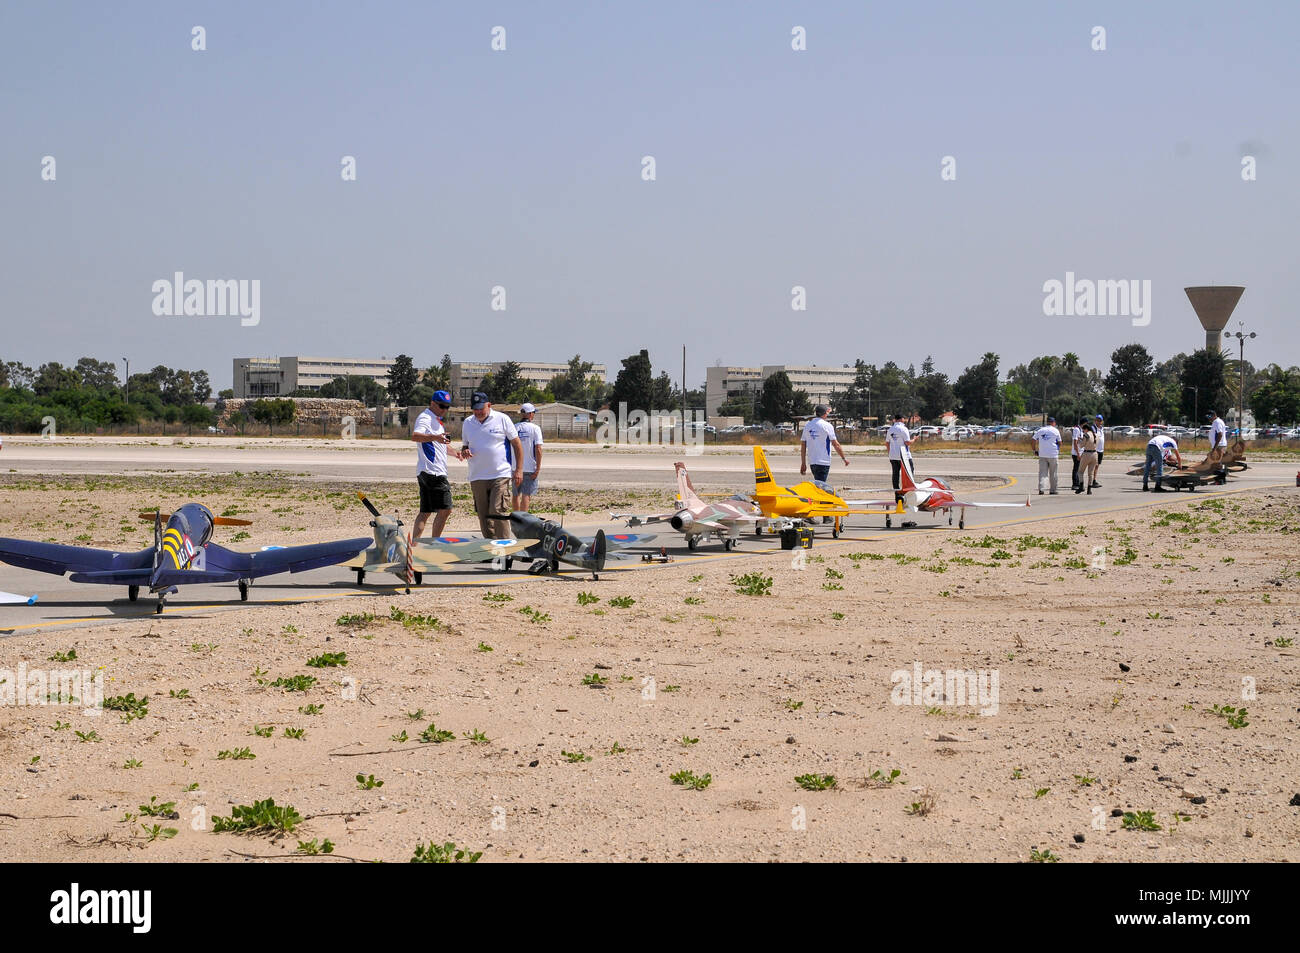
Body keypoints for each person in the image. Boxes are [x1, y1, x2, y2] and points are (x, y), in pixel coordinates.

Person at [460, 391, 523, 538]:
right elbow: (465, 446)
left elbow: (517, 444)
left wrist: (519, 469)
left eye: (481, 408)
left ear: (489, 405)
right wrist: (465, 451)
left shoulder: (502, 419)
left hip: (500, 474)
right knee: (483, 515)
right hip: (477, 475)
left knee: (497, 511)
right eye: (475, 409)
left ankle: (504, 548)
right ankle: (490, 548)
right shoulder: (468, 423)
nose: (478, 412)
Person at [410, 390, 461, 540]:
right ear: (432, 403)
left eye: (447, 407)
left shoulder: (437, 420)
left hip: (427, 471)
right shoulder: (425, 418)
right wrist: (435, 437)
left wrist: (456, 453)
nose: (444, 410)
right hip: (433, 472)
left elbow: (441, 446)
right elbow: (415, 436)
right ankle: (434, 544)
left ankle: (414, 548)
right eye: (441, 406)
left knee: (425, 512)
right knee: (446, 510)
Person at [800, 404, 848, 487]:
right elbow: (836, 444)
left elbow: (803, 446)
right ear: (824, 414)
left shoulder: (808, 425)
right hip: (823, 461)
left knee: (818, 484)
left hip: (812, 461)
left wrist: (803, 463)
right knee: (821, 487)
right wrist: (844, 458)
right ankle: (819, 500)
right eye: (827, 413)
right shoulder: (827, 426)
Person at [513, 402, 544, 512]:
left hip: (515, 467)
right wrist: (538, 468)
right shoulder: (535, 428)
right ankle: (523, 520)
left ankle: (515, 518)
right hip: (530, 467)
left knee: (515, 494)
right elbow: (538, 449)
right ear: (530, 414)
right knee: (526, 495)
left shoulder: (514, 428)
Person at [885, 413, 914, 502]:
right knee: (909, 473)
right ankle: (908, 493)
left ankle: (897, 495)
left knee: (895, 475)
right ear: (902, 419)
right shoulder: (903, 428)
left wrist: (890, 452)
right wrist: (914, 439)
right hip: (903, 456)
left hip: (893, 455)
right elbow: (907, 442)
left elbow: (887, 442)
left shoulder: (890, 429)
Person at [1031, 416, 1061, 494]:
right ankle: (1053, 490)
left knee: (1042, 473)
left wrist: (1034, 450)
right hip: (1053, 454)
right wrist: (1057, 447)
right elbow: (1060, 442)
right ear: (1053, 423)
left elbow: (1033, 440)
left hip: (1043, 454)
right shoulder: (1055, 431)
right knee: (1053, 473)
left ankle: (1041, 489)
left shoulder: (1040, 430)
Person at [1075, 421, 1099, 495]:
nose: (1083, 431)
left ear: (1086, 429)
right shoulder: (1096, 435)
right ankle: (1089, 489)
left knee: (1080, 471)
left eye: (1083, 430)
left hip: (1087, 454)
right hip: (1094, 454)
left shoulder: (1086, 435)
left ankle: (1081, 486)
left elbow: (1081, 445)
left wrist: (1079, 441)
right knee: (1090, 473)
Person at [1070, 418, 1085, 490]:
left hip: (1080, 452)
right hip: (1076, 453)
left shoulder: (1081, 430)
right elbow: (1075, 442)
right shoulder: (1077, 429)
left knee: (1079, 468)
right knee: (1076, 468)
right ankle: (1075, 484)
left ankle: (1078, 482)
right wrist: (1078, 454)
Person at [1091, 414, 1105, 487]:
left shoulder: (1102, 428)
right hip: (1095, 450)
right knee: (1094, 466)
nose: (1099, 422)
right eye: (1097, 420)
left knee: (1097, 466)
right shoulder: (1093, 428)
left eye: (1100, 420)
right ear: (1095, 421)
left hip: (1101, 450)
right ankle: (1092, 480)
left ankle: (1094, 480)